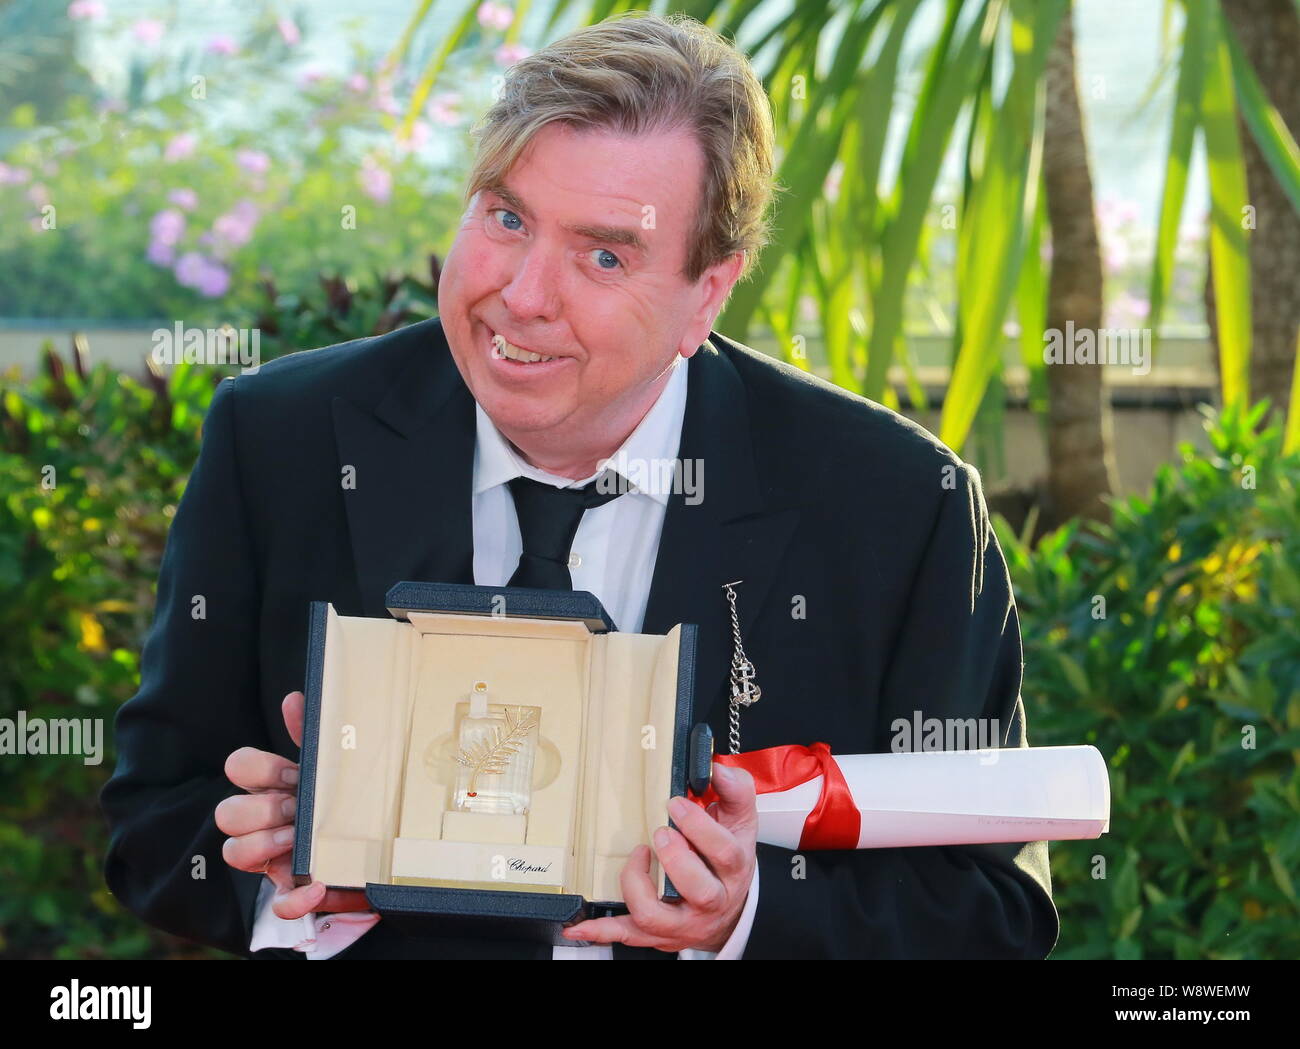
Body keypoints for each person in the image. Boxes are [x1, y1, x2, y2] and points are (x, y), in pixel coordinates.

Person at [100, 11, 1059, 960]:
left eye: (604, 255)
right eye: (507, 217)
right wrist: (272, 871)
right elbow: (152, 820)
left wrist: (748, 917)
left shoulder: (901, 506)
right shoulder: (279, 438)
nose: (521, 294)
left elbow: (992, 908)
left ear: (708, 294)